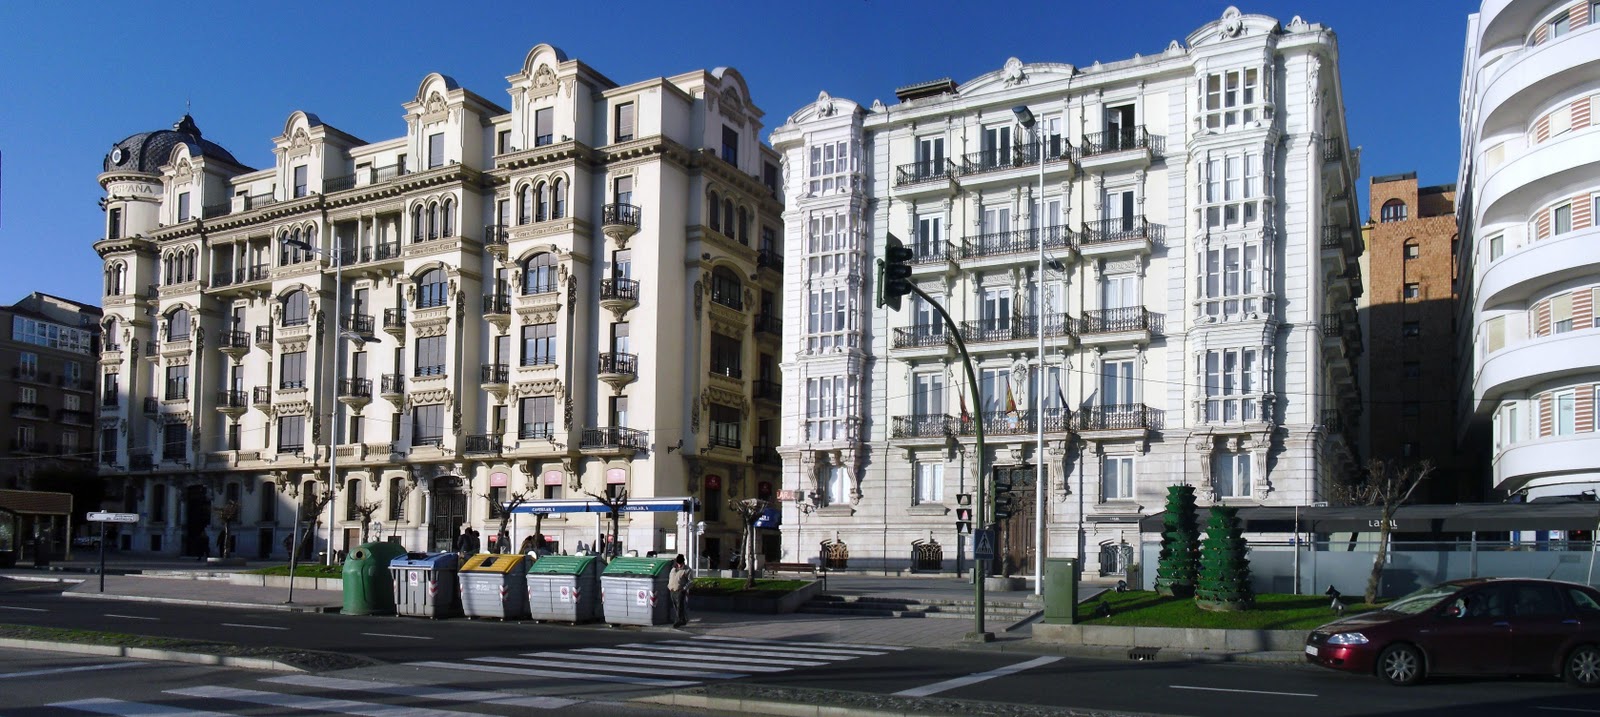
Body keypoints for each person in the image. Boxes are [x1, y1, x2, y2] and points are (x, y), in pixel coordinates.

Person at [668, 553, 693, 627]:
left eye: (680, 563)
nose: (679, 565)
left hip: (680, 590)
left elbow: (691, 581)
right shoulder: (673, 569)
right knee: (676, 606)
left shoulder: (687, 570)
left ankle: (678, 621)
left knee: (680, 607)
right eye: (678, 563)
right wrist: (669, 586)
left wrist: (684, 588)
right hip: (672, 590)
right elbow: (671, 578)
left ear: (683, 562)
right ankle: (683, 619)